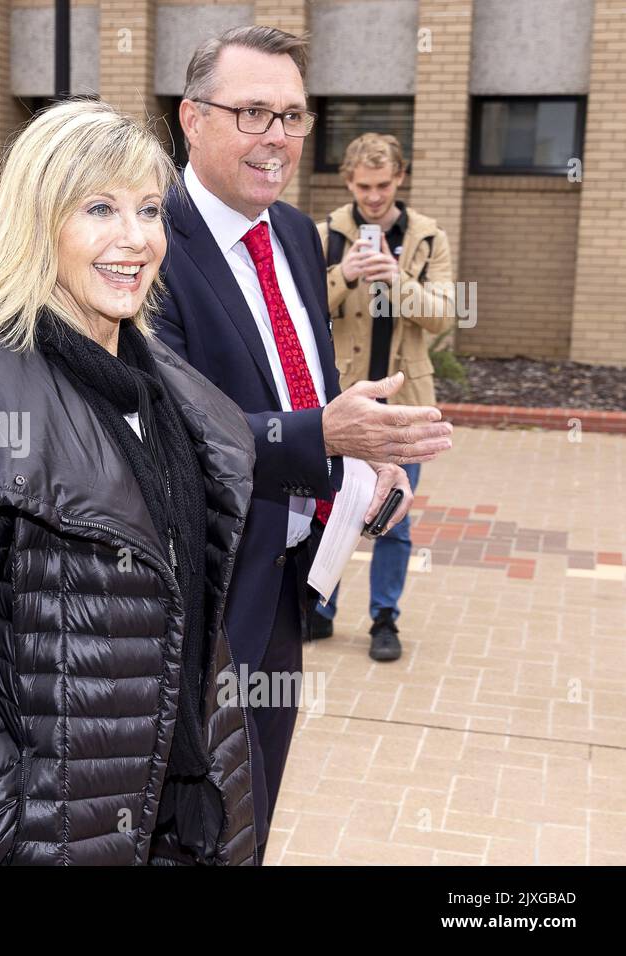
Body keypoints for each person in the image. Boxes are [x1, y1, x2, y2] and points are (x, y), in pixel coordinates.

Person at [0, 100, 258, 866]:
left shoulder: (168, 399)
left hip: (183, 821)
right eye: (99, 209)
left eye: (149, 210)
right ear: (38, 224)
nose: (135, 239)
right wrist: (25, 834)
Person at [153, 26, 453, 859]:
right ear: (192, 118)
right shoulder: (149, 243)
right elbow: (163, 431)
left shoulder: (293, 234)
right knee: (187, 828)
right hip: (197, 601)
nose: (277, 137)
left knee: (254, 810)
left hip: (285, 585)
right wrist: (323, 433)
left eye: (292, 115)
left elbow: (303, 392)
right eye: (252, 113)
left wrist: (364, 471)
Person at [311, 132, 456, 662]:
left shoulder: (427, 238)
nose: (373, 195)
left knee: (393, 515)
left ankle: (384, 619)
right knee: (333, 508)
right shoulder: (323, 233)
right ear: (349, 181)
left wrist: (396, 279)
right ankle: (320, 608)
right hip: (344, 398)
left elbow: (443, 315)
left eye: (384, 184)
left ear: (400, 178)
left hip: (404, 399)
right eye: (363, 185)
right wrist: (344, 274)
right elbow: (301, 310)